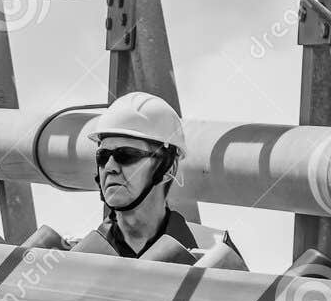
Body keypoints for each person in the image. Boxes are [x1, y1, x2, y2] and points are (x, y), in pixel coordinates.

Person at [86, 91, 236, 258]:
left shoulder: (213, 252)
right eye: (103, 156)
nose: (110, 166)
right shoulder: (80, 258)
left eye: (126, 155)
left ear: (168, 169)